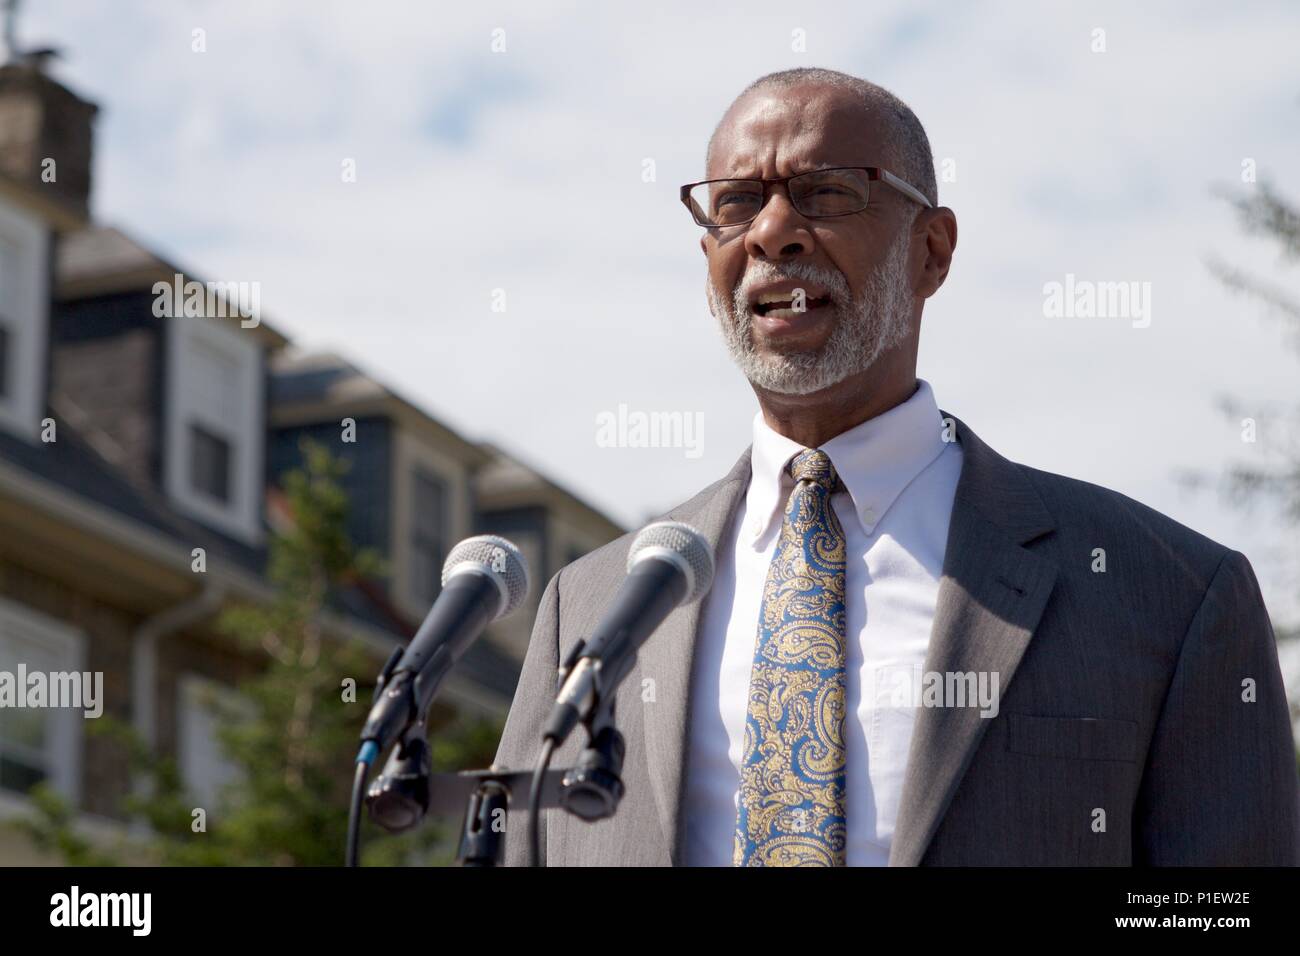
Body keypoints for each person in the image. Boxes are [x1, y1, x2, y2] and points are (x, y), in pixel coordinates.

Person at [493, 67, 1300, 866]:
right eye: (737, 203)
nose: (774, 231)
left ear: (934, 251)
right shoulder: (590, 607)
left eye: (828, 192)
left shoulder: (1170, 593)